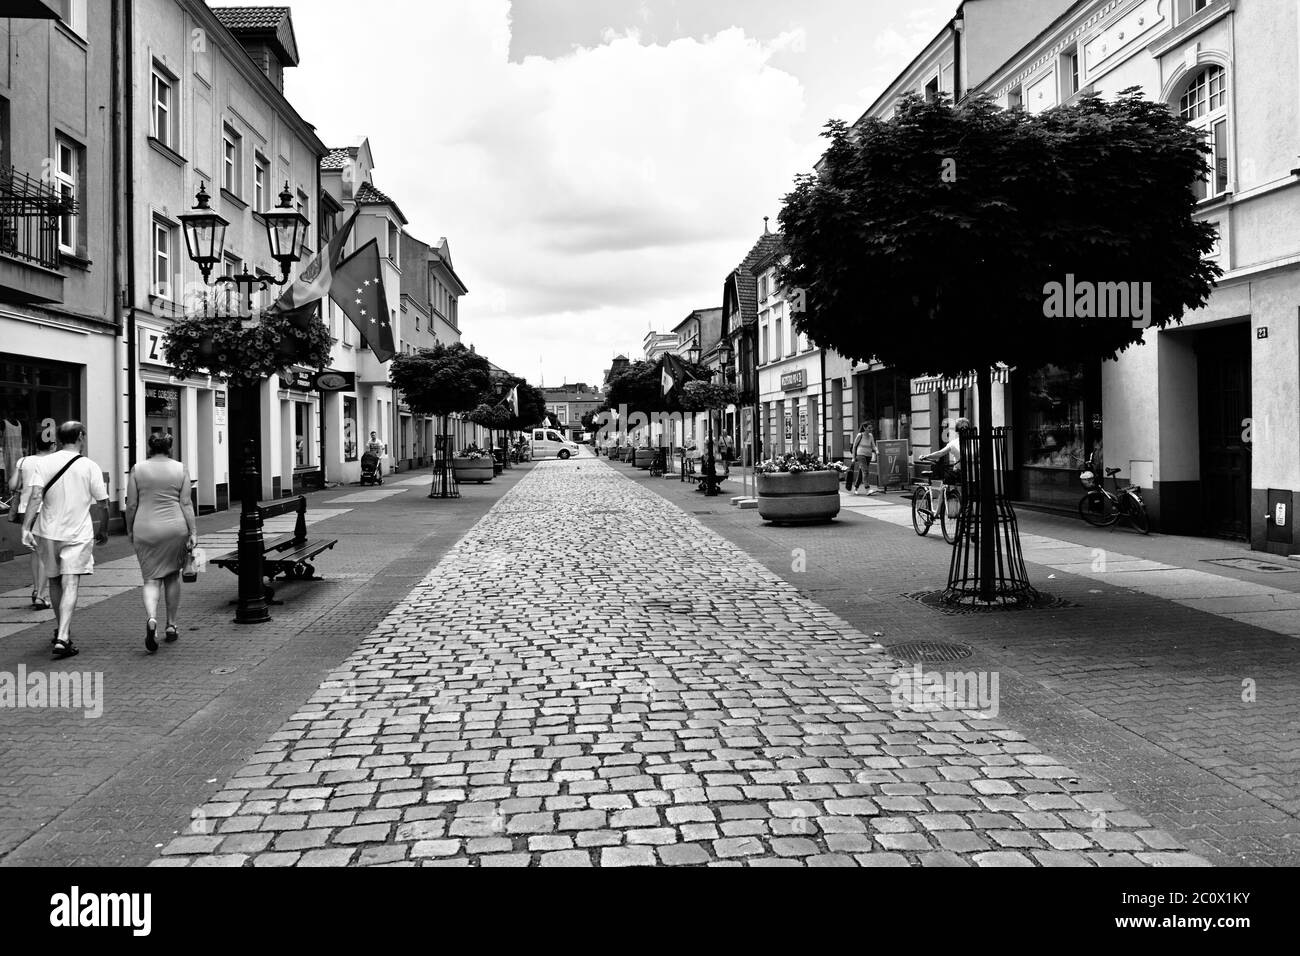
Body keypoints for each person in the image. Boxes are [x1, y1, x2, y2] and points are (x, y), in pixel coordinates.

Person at [20, 421, 108, 659]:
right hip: (77, 534)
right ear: (80, 436)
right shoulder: (89, 466)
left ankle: (62, 630)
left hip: (47, 531)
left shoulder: (44, 462)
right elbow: (102, 503)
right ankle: (63, 636)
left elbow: (36, 497)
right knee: (71, 583)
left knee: (55, 582)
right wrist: (104, 529)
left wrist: (26, 528)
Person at [126, 433, 198, 654]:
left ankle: (151, 618)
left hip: (145, 528)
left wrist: (130, 529)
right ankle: (172, 624)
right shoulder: (180, 469)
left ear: (150, 447)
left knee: (150, 579)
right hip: (174, 528)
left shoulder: (138, 469)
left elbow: (131, 504)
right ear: (170, 447)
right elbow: (186, 502)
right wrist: (193, 531)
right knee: (172, 577)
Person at [9, 439, 54, 609]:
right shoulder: (51, 462)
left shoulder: (23, 461)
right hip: (42, 508)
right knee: (43, 553)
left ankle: (36, 590)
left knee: (34, 552)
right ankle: (41, 596)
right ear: (52, 446)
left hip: (24, 510)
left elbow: (13, 485)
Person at [850, 422, 877, 495]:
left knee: (861, 472)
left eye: (871, 428)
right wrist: (853, 457)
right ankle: (867, 489)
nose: (870, 429)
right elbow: (854, 446)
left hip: (868, 455)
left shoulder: (871, 435)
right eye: (869, 428)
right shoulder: (860, 435)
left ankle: (856, 487)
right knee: (865, 471)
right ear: (864, 428)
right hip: (860, 455)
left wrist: (876, 451)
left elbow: (873, 445)